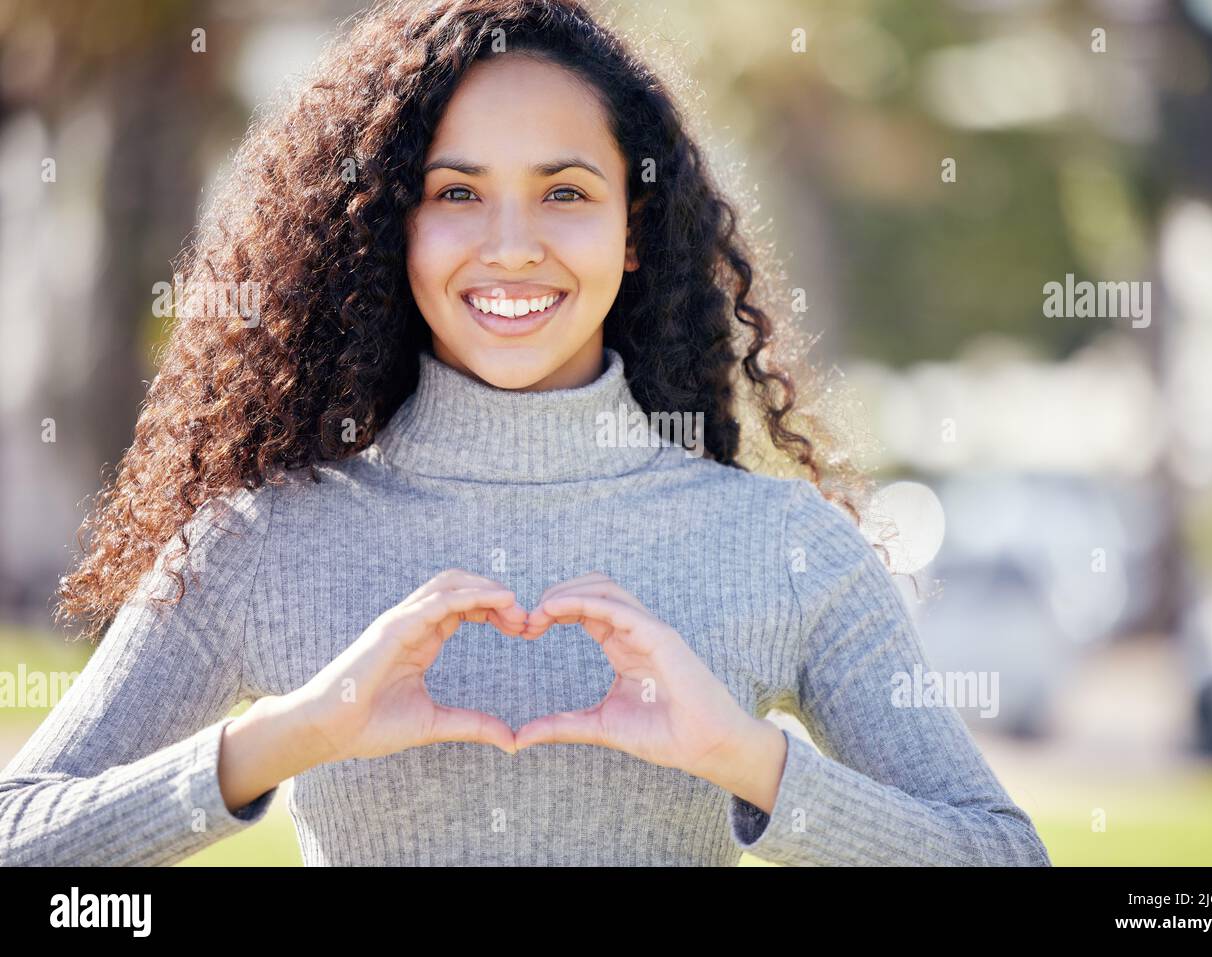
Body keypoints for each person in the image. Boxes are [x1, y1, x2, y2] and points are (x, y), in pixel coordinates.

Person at [0, 0, 1050, 866]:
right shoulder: (260, 543)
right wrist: (290, 736)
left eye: (565, 192)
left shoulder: (784, 547)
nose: (511, 247)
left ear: (633, 234)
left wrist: (746, 758)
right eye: (455, 192)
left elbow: (1004, 859)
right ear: (387, 226)